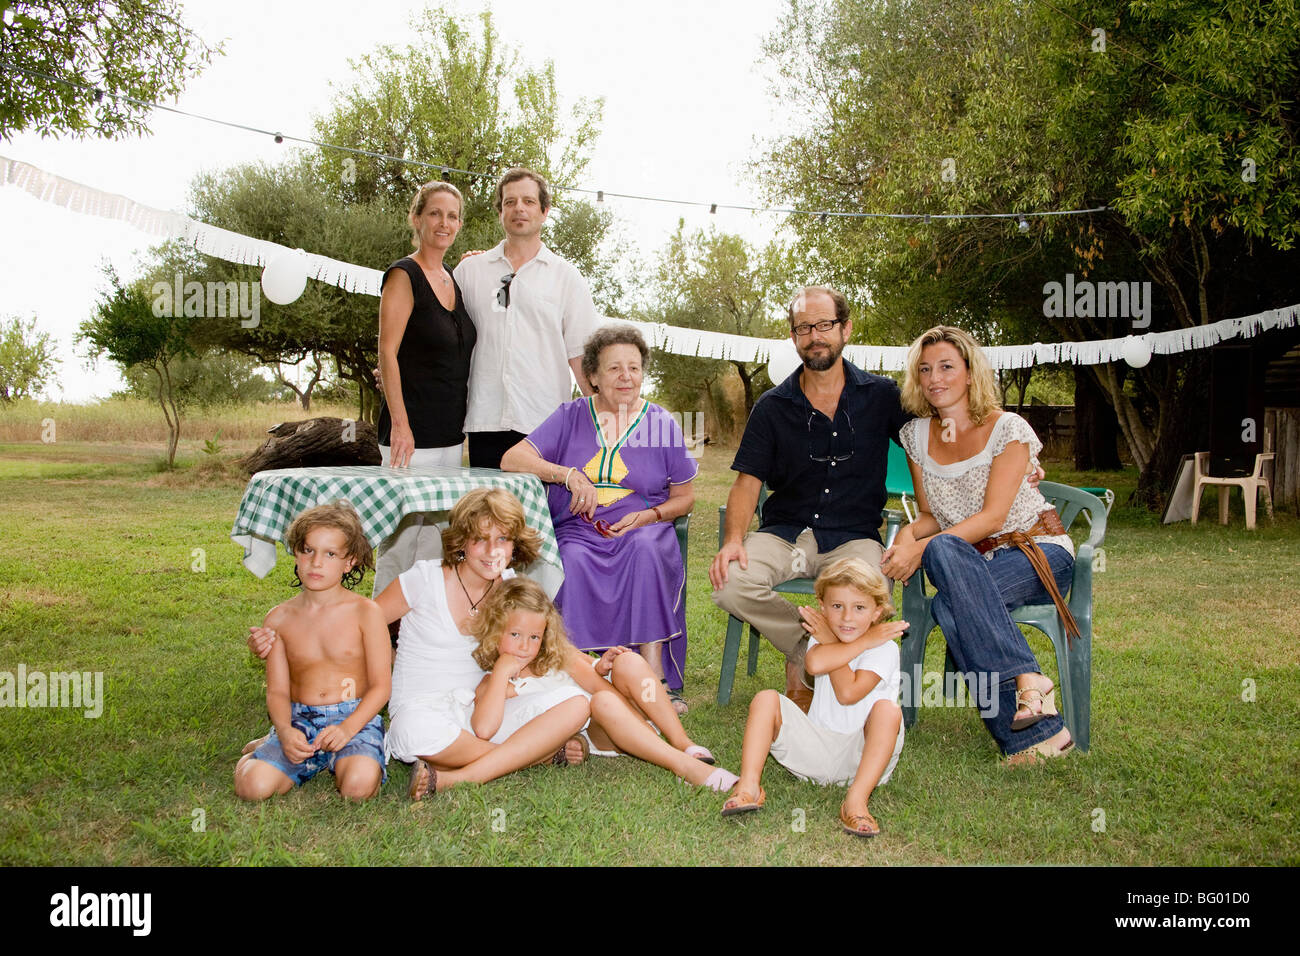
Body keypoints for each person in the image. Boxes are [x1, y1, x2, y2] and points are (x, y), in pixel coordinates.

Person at [248, 488, 592, 799]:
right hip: (425, 711)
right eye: (480, 539)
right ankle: (535, 755)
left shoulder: (510, 584)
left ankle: (466, 774)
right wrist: (278, 640)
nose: (492, 551)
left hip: (483, 709)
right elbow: (351, 628)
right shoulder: (423, 579)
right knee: (413, 733)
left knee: (576, 703)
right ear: (460, 540)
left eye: (503, 539)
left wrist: (597, 669)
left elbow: (549, 643)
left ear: (515, 544)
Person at [709, 286, 911, 711]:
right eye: (804, 327)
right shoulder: (772, 406)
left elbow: (929, 444)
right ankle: (806, 648)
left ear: (846, 329)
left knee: (876, 593)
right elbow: (747, 483)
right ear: (793, 336)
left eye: (824, 325)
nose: (815, 336)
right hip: (787, 533)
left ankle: (846, 681)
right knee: (731, 583)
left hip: (855, 537)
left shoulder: (882, 396)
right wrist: (732, 541)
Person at [880, 325, 1075, 764]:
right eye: (925, 369)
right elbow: (929, 515)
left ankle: (1029, 720)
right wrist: (911, 535)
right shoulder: (915, 437)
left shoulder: (1007, 428)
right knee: (950, 599)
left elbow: (992, 517)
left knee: (946, 565)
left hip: (1038, 551)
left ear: (970, 373)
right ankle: (1033, 705)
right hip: (971, 563)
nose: (935, 378)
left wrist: (924, 549)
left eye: (947, 366)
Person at [500, 325, 697, 711]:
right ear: (592, 375)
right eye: (614, 369)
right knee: (570, 558)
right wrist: (568, 475)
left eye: (634, 368)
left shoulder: (661, 424)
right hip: (579, 528)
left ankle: (654, 678)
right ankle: (581, 673)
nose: (626, 377)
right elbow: (511, 459)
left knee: (643, 550)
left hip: (643, 527)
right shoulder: (570, 416)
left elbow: (685, 499)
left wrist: (648, 516)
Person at [429, 576, 737, 798]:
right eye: (515, 635)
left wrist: (600, 672)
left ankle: (684, 743)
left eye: (534, 637)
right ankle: (684, 767)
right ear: (496, 634)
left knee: (625, 664)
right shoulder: (490, 682)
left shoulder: (559, 656)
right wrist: (500, 674)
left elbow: (599, 685)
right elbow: (483, 728)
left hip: (627, 720)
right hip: (601, 733)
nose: (525, 647)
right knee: (600, 703)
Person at [721, 559, 906, 836]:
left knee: (888, 711)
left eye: (859, 608)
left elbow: (848, 693)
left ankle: (856, 801)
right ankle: (748, 785)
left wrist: (861, 642)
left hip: (863, 757)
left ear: (877, 612)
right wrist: (843, 641)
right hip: (817, 752)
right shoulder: (819, 640)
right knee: (766, 699)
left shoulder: (884, 648)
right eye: (836, 606)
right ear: (822, 606)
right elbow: (815, 665)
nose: (846, 618)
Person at [234, 503, 391, 802]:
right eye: (308, 550)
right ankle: (268, 747)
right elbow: (278, 692)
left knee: (358, 789)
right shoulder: (279, 618)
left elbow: (382, 687)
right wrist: (284, 729)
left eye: (330, 554)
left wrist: (347, 729)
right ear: (296, 553)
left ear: (350, 562)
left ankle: (360, 750)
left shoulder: (366, 613)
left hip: (353, 716)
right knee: (252, 788)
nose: (316, 562)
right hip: (299, 720)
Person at [455, 167, 600, 468]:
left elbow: (580, 356)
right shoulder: (470, 272)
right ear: (500, 213)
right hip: (485, 420)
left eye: (528, 201)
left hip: (544, 422)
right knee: (489, 514)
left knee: (538, 514)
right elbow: (441, 333)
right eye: (510, 202)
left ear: (545, 211)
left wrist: (602, 419)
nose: (518, 208)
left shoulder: (567, 278)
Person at [373, 181, 478, 591]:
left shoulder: (455, 279)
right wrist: (400, 423)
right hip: (408, 436)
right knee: (400, 543)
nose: (444, 223)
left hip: (450, 437)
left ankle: (421, 639)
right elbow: (387, 351)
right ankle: (381, 638)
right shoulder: (403, 275)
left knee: (436, 543)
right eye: (435, 213)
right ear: (417, 219)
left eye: (452, 216)